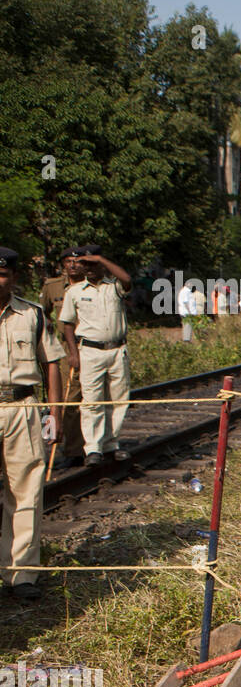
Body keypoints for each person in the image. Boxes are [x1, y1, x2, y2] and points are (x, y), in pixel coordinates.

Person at [0, 248, 64, 600]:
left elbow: (51, 362)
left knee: (25, 491)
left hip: (22, 407)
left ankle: (21, 573)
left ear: (14, 278)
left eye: (4, 274)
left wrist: (55, 413)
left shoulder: (33, 314)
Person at [58, 245, 131, 465]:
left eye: (91, 264)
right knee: (91, 401)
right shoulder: (75, 291)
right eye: (84, 264)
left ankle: (111, 444)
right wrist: (73, 353)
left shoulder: (114, 287)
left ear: (101, 264)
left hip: (117, 350)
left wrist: (102, 259)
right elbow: (67, 324)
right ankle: (93, 449)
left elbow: (127, 279)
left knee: (118, 399)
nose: (87, 268)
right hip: (89, 351)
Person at [39, 247, 85, 466]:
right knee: (64, 400)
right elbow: (41, 313)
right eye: (68, 261)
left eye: (77, 261)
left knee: (90, 400)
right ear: (63, 265)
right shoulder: (53, 286)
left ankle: (84, 447)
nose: (73, 265)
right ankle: (67, 449)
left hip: (91, 346)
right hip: (65, 349)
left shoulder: (92, 285)